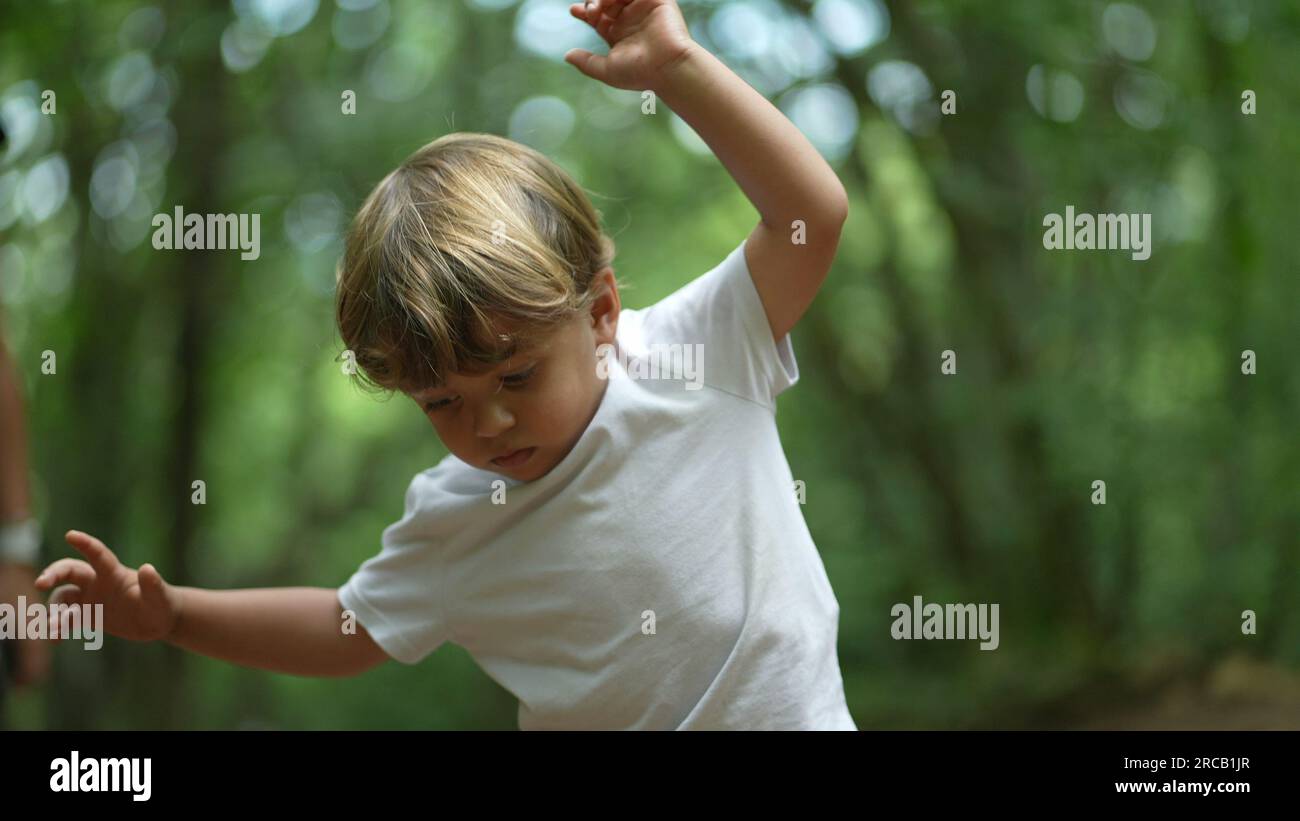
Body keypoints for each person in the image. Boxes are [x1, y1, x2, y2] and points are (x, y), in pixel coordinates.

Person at [36, 0, 855, 729]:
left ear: (600, 310)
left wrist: (677, 70)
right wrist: (174, 613)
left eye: (515, 376)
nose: (486, 424)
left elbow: (809, 216)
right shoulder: (456, 515)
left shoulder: (694, 351)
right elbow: (346, 628)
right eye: (440, 401)